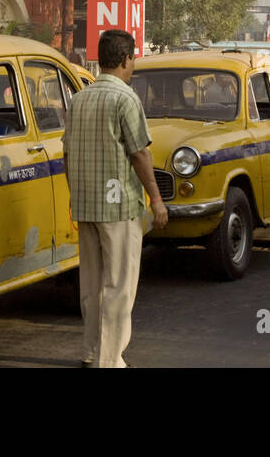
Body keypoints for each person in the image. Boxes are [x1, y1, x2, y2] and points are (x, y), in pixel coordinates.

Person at [61, 29, 168, 368]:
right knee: (119, 287)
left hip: (86, 204)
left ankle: (91, 351)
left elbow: (66, 154)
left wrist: (75, 192)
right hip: (119, 205)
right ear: (125, 59)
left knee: (91, 286)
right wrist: (157, 200)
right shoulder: (125, 99)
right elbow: (139, 155)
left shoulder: (79, 98)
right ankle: (110, 360)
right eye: (133, 58)